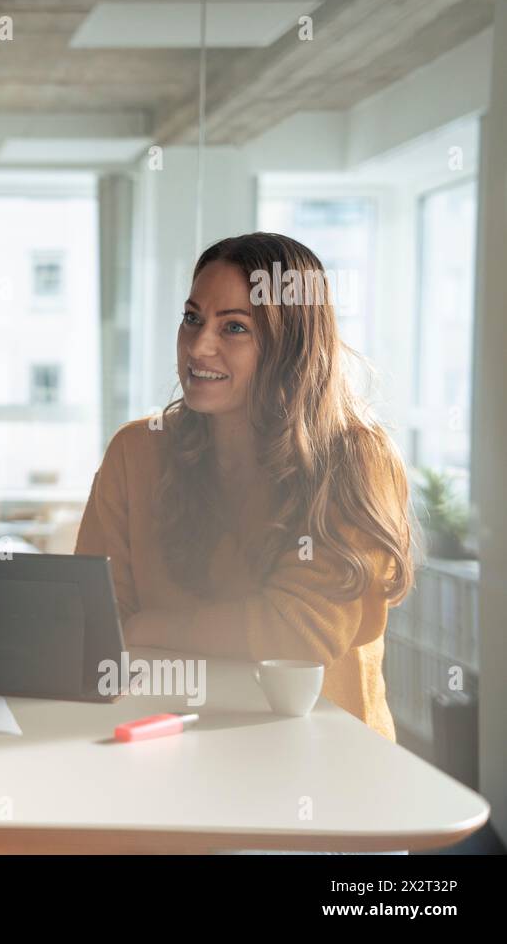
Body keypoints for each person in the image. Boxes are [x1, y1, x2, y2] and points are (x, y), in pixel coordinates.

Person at [76, 232, 413, 740]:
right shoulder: (137, 450)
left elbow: (301, 631)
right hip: (164, 738)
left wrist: (152, 627)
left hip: (326, 756)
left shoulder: (355, 459)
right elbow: (98, 620)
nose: (198, 345)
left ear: (292, 346)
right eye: (192, 318)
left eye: (234, 327)